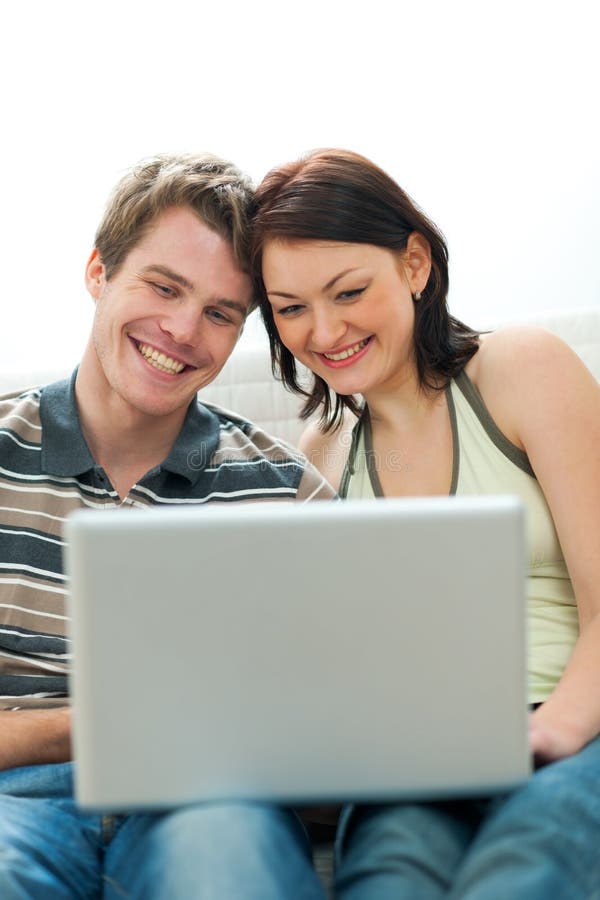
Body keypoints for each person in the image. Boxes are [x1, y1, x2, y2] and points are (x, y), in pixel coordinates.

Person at [251, 148, 600, 899]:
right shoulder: (319, 457)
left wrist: (551, 735)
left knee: (529, 861)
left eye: (348, 291)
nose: (324, 330)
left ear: (414, 265)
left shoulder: (521, 370)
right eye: (289, 308)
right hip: (417, 758)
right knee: (389, 875)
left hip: (577, 723)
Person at [0, 153, 336, 899]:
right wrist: (96, 725)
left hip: (212, 802)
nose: (183, 330)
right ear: (98, 272)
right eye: (163, 286)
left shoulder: (287, 495)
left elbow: (336, 770)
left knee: (230, 871)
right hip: (15, 801)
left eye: (220, 313)